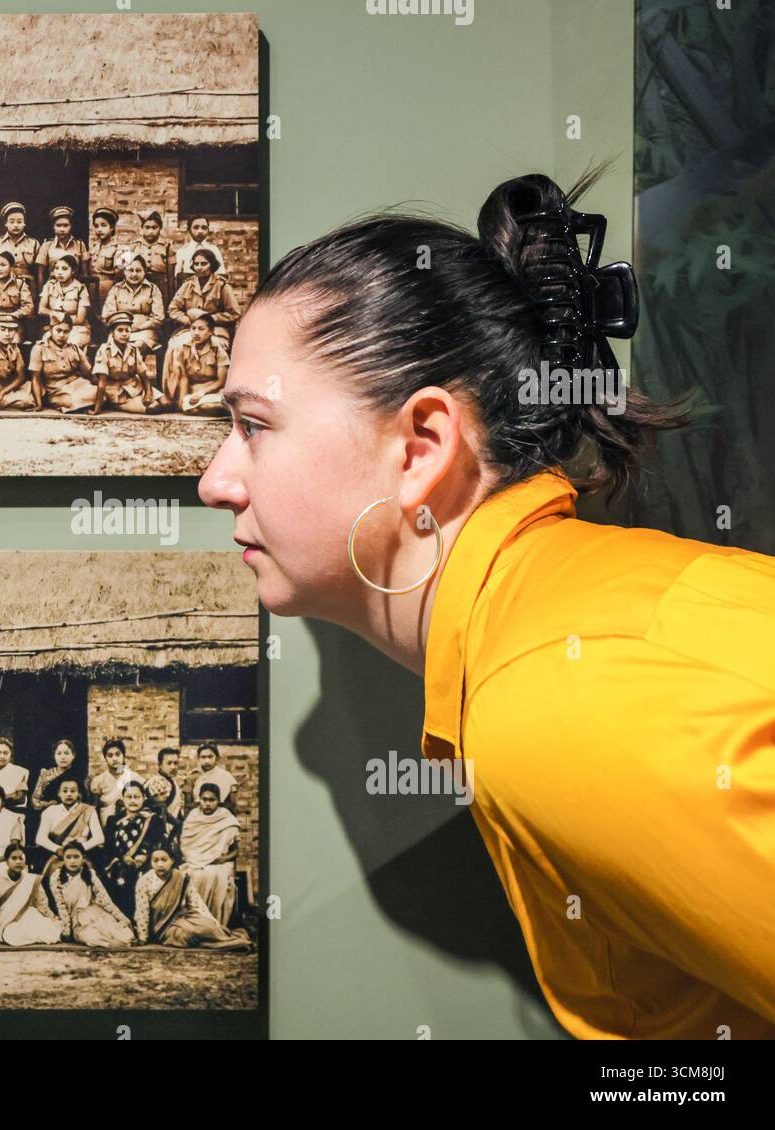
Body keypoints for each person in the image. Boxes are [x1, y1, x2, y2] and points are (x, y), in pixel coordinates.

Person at [196, 168, 775, 1038]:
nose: (215, 480)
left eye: (252, 426)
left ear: (421, 446)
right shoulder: (552, 636)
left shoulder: (557, 702)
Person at [133, 845, 250, 949]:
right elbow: (142, 911)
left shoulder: (182, 878)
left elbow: (197, 904)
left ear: (172, 860)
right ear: (151, 863)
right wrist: (143, 937)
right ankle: (207, 941)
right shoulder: (144, 882)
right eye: (155, 860)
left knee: (209, 928)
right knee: (183, 936)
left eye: (164, 860)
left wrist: (213, 922)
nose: (160, 864)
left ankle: (218, 937)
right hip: (162, 926)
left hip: (184, 919)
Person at [161, 249, 240, 399]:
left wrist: (209, 318)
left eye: (203, 263)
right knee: (175, 347)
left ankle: (215, 390)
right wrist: (187, 319)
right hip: (190, 328)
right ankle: (173, 394)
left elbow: (234, 313)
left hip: (215, 329)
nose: (199, 267)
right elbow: (173, 309)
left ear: (212, 265)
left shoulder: (222, 286)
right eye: (196, 264)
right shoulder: (188, 285)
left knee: (216, 345)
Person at [48, 841, 134, 948]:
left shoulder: (90, 874)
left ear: (83, 858)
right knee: (90, 937)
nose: (72, 861)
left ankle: (114, 941)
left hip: (94, 914)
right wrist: (67, 932)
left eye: (76, 857)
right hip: (76, 922)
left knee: (125, 935)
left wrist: (122, 918)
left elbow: (105, 900)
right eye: (68, 857)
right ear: (63, 859)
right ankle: (107, 944)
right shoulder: (56, 877)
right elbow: (61, 906)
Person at [177, 783, 240, 927]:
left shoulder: (226, 818)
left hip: (220, 862)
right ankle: (195, 922)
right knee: (192, 875)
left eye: (212, 800)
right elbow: (186, 844)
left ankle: (214, 923)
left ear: (218, 801)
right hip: (195, 860)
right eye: (204, 799)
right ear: (199, 799)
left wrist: (223, 858)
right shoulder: (193, 816)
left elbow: (236, 851)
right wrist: (197, 859)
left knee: (216, 875)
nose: (207, 804)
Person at [102, 780, 166, 917]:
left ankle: (141, 920)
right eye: (129, 797)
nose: (133, 801)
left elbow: (156, 841)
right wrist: (123, 857)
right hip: (119, 862)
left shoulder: (153, 820)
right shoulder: (113, 820)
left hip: (145, 863)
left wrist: (143, 854)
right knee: (115, 876)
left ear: (144, 798)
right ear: (122, 799)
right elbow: (109, 846)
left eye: (137, 797)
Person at [0, 843, 62, 946]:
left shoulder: (31, 879)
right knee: (12, 935)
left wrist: (52, 918)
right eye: (14, 858)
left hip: (27, 914)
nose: (18, 862)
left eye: (21, 858)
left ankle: (35, 935)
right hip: (4, 918)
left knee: (51, 929)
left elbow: (41, 903)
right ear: (6, 861)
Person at [28, 314, 95, 413]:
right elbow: (35, 378)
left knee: (99, 393)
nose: (62, 335)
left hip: (77, 385)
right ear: (50, 330)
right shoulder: (40, 348)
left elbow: (88, 373)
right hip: (56, 390)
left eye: (66, 332)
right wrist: (39, 404)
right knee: (71, 400)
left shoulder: (74, 348)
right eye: (58, 331)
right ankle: (82, 406)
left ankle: (83, 406)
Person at [100, 255, 165, 356]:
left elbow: (158, 318)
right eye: (130, 270)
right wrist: (123, 327)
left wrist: (139, 327)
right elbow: (107, 316)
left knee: (137, 347)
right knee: (112, 349)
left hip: (145, 331)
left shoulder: (153, 289)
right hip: (120, 331)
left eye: (138, 270)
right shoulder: (116, 289)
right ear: (124, 272)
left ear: (144, 271)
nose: (134, 274)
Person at [35, 778, 104, 872]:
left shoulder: (89, 810)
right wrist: (58, 849)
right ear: (59, 793)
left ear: (79, 793)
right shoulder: (49, 811)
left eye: (73, 791)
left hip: (81, 855)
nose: (69, 794)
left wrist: (80, 849)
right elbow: (40, 838)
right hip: (56, 855)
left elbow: (99, 838)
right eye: (65, 791)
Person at [91, 311, 153, 415]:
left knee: (166, 403)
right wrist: (97, 409)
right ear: (112, 333)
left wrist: (148, 392)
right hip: (117, 393)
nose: (124, 334)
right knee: (154, 409)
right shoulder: (105, 350)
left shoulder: (133, 349)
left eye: (127, 330)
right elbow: (102, 383)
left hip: (134, 386)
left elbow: (143, 374)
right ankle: (114, 405)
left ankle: (138, 401)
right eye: (120, 330)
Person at [167, 313, 230, 415]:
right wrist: (183, 400)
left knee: (211, 405)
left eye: (201, 329)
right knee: (191, 407)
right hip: (193, 391)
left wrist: (202, 393)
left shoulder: (218, 350)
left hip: (213, 390)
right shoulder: (182, 349)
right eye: (193, 328)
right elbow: (183, 378)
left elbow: (221, 381)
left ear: (210, 332)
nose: (196, 333)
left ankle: (218, 409)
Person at [36, 255, 93, 350]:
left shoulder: (81, 288)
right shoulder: (50, 286)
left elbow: (80, 319)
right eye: (56, 269)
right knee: (46, 345)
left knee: (70, 345)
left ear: (73, 271)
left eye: (64, 269)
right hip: (55, 327)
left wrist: (61, 319)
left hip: (76, 328)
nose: (59, 272)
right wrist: (55, 316)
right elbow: (41, 309)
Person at [36, 205, 90, 294]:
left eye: (65, 225)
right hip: (52, 290)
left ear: (71, 226)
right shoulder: (47, 245)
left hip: (74, 290)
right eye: (58, 225)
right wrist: (42, 294)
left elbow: (85, 273)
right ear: (53, 227)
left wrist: (85, 294)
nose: (62, 229)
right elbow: (41, 273)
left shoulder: (80, 245)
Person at [89, 738, 143, 826]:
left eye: (118, 754)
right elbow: (94, 809)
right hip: (106, 825)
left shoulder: (132, 777)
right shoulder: (99, 781)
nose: (114, 758)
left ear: (123, 755)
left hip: (129, 824)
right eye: (110, 755)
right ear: (105, 758)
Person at [87, 206, 131, 314]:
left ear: (111, 228)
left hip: (108, 289)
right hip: (90, 289)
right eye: (96, 226)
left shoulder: (123, 249)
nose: (99, 229)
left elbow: (120, 277)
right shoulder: (92, 248)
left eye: (103, 225)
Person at [29, 737, 87, 816]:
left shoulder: (79, 775)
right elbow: (35, 801)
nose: (63, 757)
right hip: (50, 815)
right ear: (54, 755)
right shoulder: (46, 775)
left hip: (73, 816)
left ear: (73, 755)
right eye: (59, 753)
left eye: (66, 753)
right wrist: (49, 804)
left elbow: (84, 800)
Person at [0, 201, 40, 288]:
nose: (16, 225)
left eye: (19, 222)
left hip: (28, 286)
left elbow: (39, 271)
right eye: (12, 222)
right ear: (6, 223)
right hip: (3, 286)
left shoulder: (33, 243)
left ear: (24, 223)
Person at [128, 209, 175, 303]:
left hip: (160, 283)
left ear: (160, 228)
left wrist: (171, 294)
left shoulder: (167, 246)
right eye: (147, 227)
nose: (150, 231)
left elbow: (170, 274)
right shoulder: (134, 245)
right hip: (139, 282)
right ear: (142, 228)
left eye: (154, 227)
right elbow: (123, 267)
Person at [173, 215, 227, 289]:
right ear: (189, 230)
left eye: (204, 228)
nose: (200, 231)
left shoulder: (214, 250)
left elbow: (221, 274)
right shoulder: (182, 251)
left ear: (208, 230)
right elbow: (177, 276)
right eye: (196, 227)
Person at [190, 742, 239, 812]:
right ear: (198, 758)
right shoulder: (194, 775)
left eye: (210, 757)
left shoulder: (225, 776)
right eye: (203, 757)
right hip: (198, 815)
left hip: (220, 814)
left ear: (217, 758)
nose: (207, 761)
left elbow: (233, 803)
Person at [144, 747, 185, 825]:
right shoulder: (157, 782)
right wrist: (179, 824)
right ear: (160, 765)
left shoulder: (171, 780)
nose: (173, 767)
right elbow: (159, 810)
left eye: (175, 763)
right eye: (169, 763)